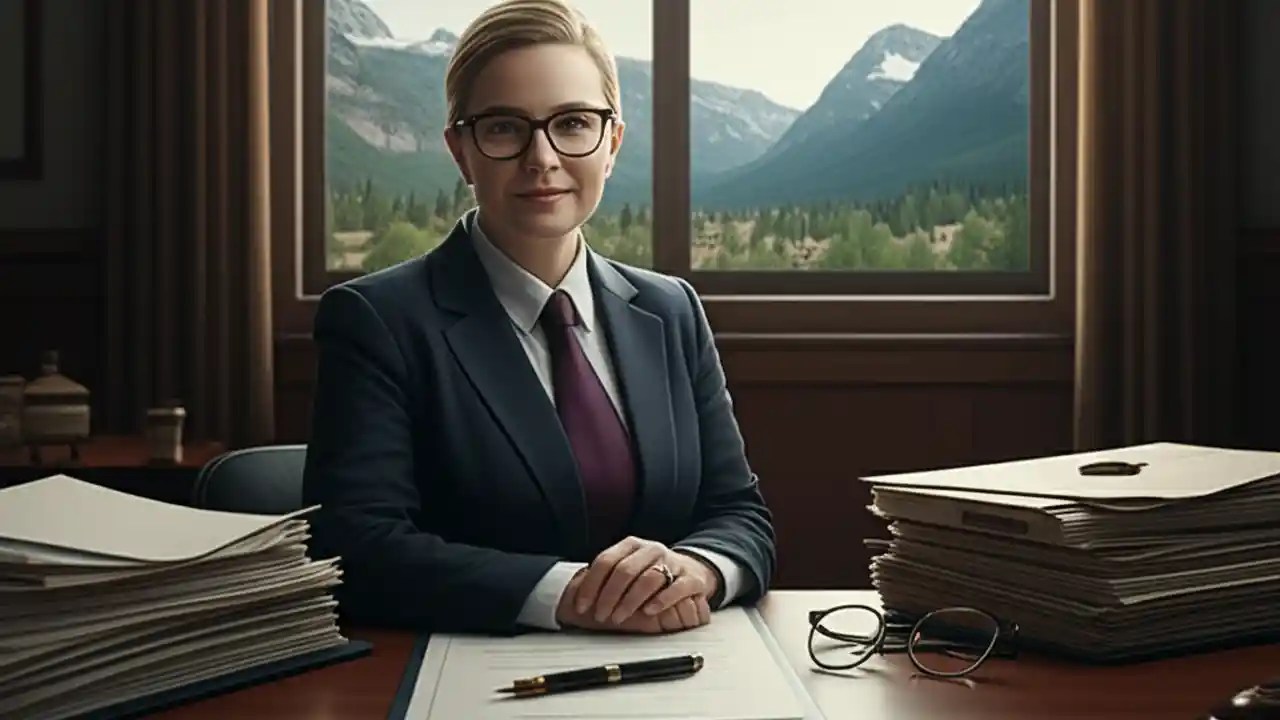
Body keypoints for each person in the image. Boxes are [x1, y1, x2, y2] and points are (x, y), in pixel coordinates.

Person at [302, 0, 775, 636]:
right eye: (503, 128)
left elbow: (738, 512)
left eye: (573, 123)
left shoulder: (670, 310)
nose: (542, 157)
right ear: (460, 151)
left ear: (612, 143)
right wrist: (570, 592)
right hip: (472, 681)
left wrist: (699, 569)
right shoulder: (377, 320)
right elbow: (354, 545)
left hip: (676, 670)